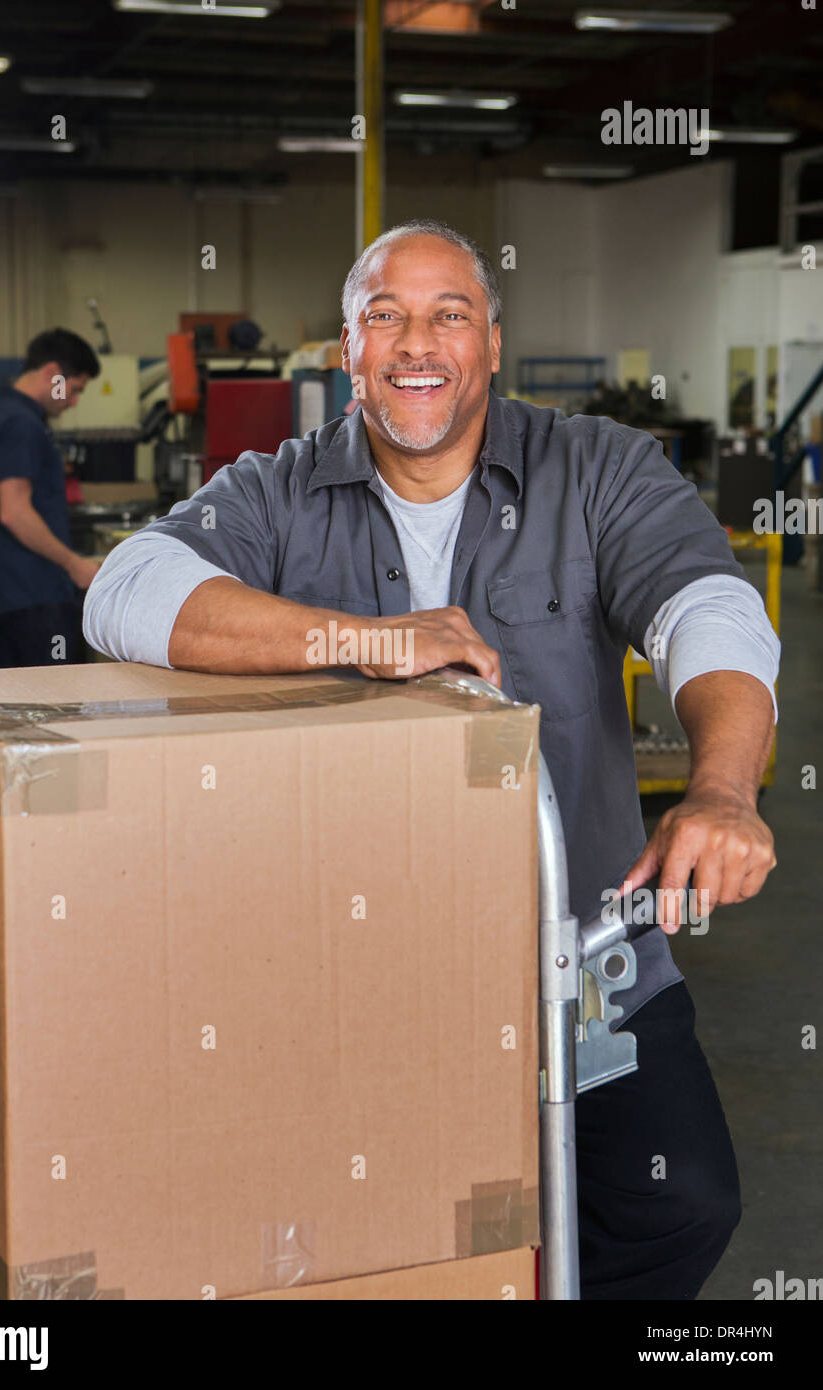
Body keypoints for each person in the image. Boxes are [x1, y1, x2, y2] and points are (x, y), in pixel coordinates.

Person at [83, 220, 779, 1299]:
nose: (418, 342)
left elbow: (710, 607)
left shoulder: (594, 467)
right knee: (384, 1234)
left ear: (490, 343)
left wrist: (722, 789)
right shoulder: (276, 487)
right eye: (385, 316)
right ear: (348, 352)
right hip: (362, 978)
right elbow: (121, 595)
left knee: (680, 1197)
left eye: (449, 314)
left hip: (584, 965)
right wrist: (361, 636)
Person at [0, 329, 102, 666]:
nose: (73, 402)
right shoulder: (21, 424)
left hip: (11, 591)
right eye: (74, 390)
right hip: (36, 594)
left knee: (21, 703)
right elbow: (14, 512)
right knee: (57, 704)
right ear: (51, 374)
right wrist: (75, 565)